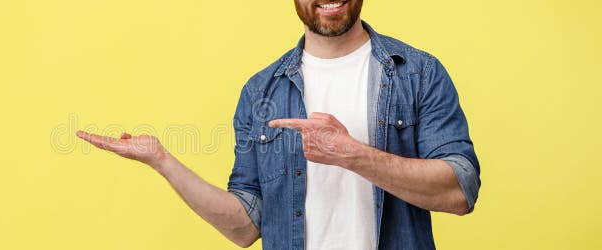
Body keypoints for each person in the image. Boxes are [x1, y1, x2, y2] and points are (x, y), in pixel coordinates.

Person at [76, 0, 480, 249]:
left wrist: (353, 155)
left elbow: (460, 191)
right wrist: (162, 161)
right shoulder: (259, 93)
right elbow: (244, 227)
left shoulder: (418, 73)